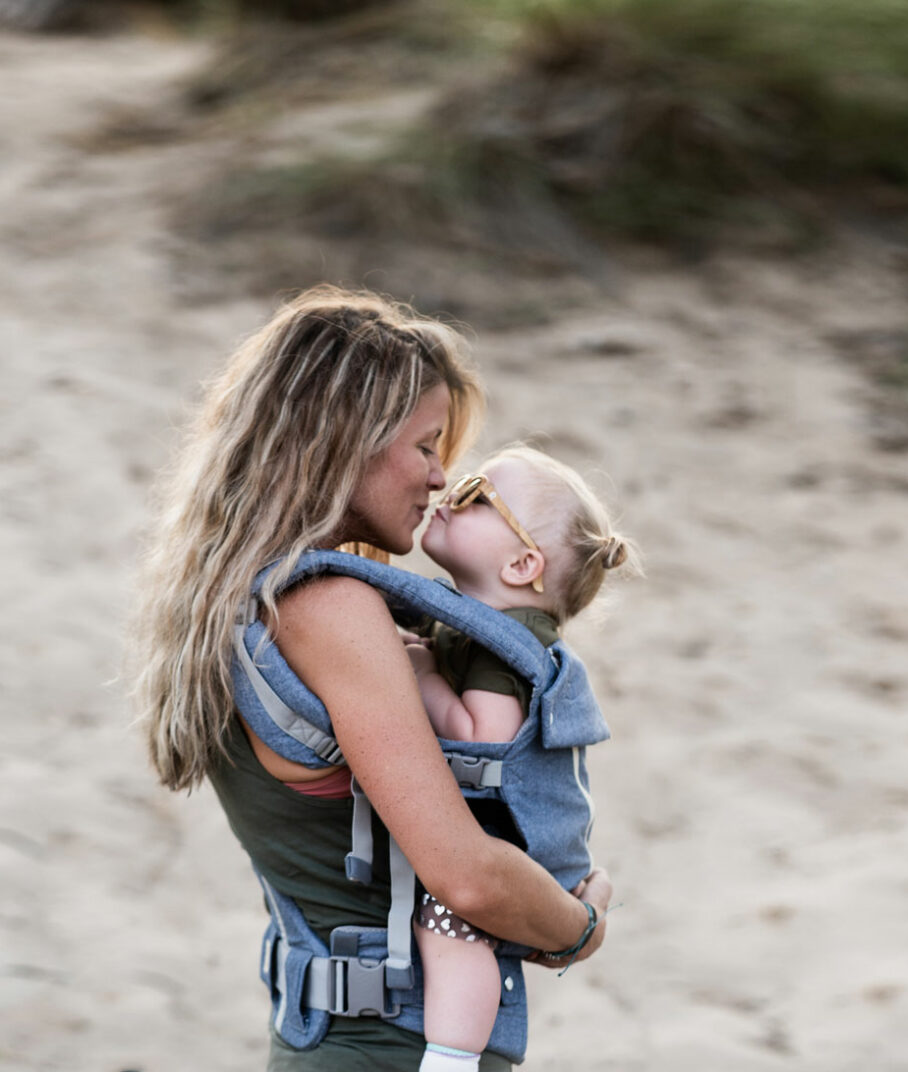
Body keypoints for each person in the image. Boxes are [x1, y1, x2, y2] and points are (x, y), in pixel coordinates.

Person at [132, 286, 614, 1071]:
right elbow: (469, 878)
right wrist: (579, 926)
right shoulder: (333, 607)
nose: (438, 478)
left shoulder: (241, 594)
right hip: (391, 1048)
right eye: (426, 446)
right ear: (344, 441)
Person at [403, 445, 634, 1071]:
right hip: (516, 829)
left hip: (511, 838)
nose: (452, 490)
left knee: (448, 923)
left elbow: (485, 737)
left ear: (521, 563)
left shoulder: (504, 644)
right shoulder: (481, 622)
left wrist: (423, 674)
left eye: (478, 493)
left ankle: (452, 1057)